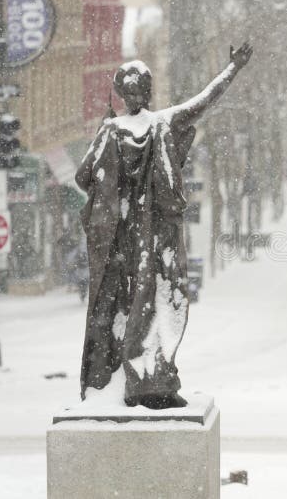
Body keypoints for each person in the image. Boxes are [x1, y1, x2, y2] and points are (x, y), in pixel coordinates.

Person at [75, 42, 252, 409]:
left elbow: (83, 177)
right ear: (127, 93)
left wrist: (113, 191)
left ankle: (142, 376)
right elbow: (200, 105)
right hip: (149, 237)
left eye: (138, 90)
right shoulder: (156, 124)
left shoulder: (112, 131)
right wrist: (232, 68)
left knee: (130, 305)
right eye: (132, 90)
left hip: (122, 238)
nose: (135, 96)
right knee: (152, 301)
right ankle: (147, 377)